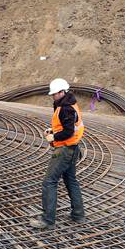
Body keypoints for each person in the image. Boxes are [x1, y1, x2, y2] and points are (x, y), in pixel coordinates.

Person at [32, 78, 85, 229]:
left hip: (64, 150)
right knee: (71, 180)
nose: (53, 96)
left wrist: (54, 137)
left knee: (49, 182)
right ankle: (78, 215)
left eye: (54, 94)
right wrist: (54, 131)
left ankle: (47, 220)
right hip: (73, 147)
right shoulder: (67, 104)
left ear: (62, 92)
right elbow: (66, 126)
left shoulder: (66, 108)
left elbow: (68, 131)